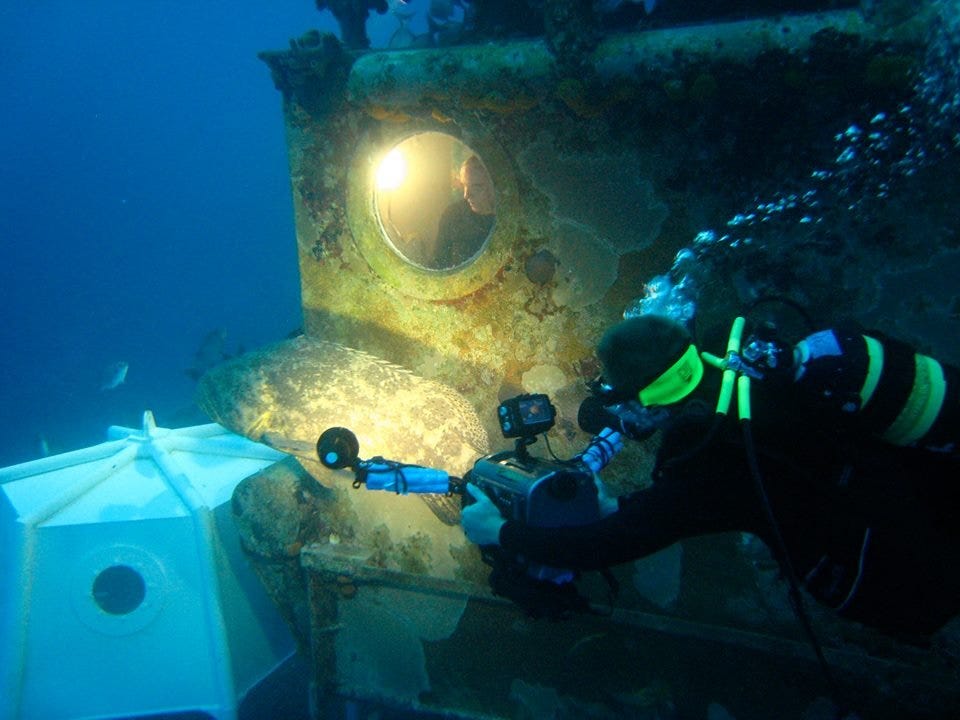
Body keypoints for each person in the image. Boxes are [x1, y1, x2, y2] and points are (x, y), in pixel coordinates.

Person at [462, 313, 960, 637]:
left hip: (900, 574)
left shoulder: (709, 461)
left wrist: (499, 531)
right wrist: (626, 507)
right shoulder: (752, 365)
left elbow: (604, 546)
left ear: (652, 398)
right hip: (933, 492)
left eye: (628, 400)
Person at [434, 155, 495, 268]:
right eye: (464, 186)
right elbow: (437, 265)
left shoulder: (512, 219)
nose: (466, 195)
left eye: (476, 187)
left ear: (494, 186)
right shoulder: (453, 215)